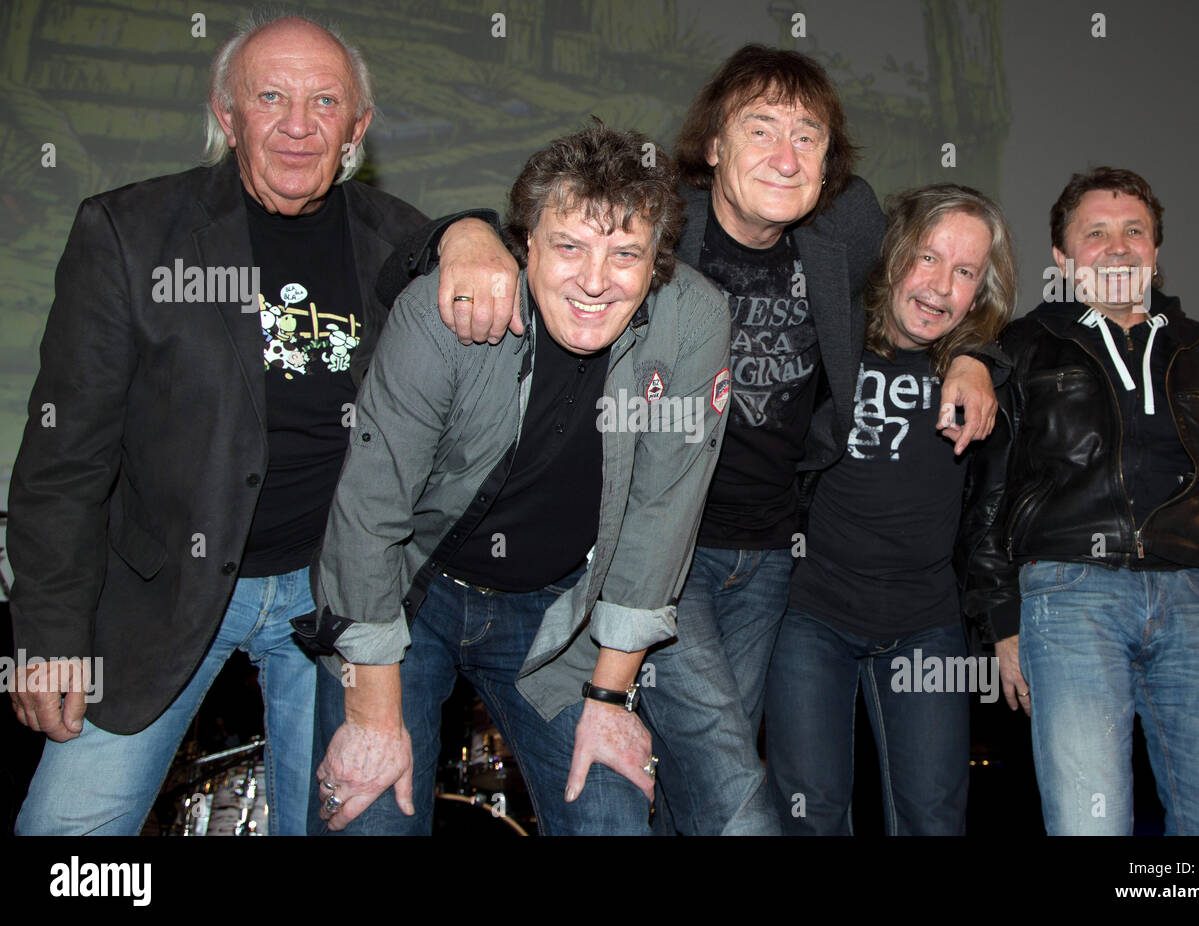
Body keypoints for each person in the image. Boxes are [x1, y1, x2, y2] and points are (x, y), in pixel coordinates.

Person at [399, 45, 1002, 835]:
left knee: (696, 782)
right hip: (663, 553)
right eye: (760, 130)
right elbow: (543, 231)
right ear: (714, 145)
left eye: (808, 137)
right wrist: (461, 231)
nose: (785, 158)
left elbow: (927, 294)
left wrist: (978, 358)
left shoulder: (844, 226)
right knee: (728, 784)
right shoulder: (664, 225)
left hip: (768, 562)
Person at [6, 12, 446, 835]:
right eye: (270, 96)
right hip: (160, 591)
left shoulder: (403, 244)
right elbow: (62, 461)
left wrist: (476, 238)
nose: (296, 124)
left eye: (324, 102)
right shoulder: (128, 235)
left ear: (358, 127)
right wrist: (51, 634)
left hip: (335, 601)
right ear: (226, 114)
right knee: (65, 843)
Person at [302, 120, 732, 836]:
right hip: (411, 591)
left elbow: (662, 518)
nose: (595, 282)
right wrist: (373, 718)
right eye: (569, 247)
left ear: (656, 261)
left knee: (613, 821)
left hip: (556, 612)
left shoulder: (692, 320)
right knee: (369, 811)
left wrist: (609, 701)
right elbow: (370, 514)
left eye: (626, 253)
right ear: (525, 241)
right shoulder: (442, 311)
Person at [962, 167, 1199, 835]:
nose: (1119, 246)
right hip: (1069, 597)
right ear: (1063, 259)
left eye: (1135, 232)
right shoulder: (1019, 349)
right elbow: (986, 496)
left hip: (1193, 602)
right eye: (1095, 234)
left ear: (1156, 251)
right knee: (1087, 824)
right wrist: (1003, 622)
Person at [764, 184, 1015, 834]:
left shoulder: (986, 376)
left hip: (926, 625)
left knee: (933, 818)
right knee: (809, 816)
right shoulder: (830, 339)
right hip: (811, 614)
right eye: (927, 258)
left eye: (965, 272)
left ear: (981, 291)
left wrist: (975, 356)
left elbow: (1000, 508)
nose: (939, 286)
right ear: (893, 253)